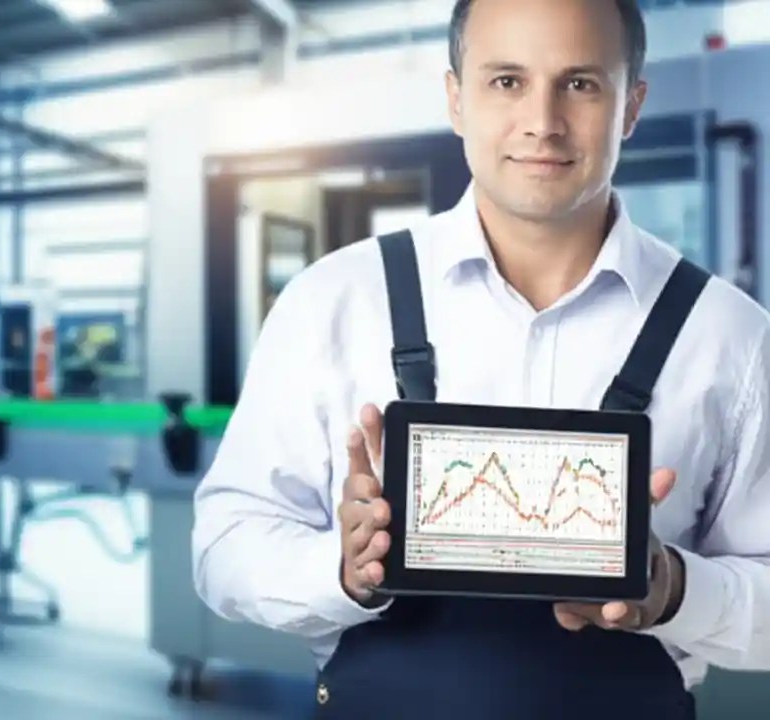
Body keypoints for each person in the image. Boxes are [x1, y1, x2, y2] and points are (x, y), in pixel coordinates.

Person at [191, 0, 770, 718]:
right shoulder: (332, 301)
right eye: (506, 82)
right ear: (456, 98)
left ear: (632, 106)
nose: (543, 121)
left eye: (581, 83)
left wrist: (674, 589)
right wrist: (339, 569)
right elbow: (223, 547)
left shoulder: (732, 338)